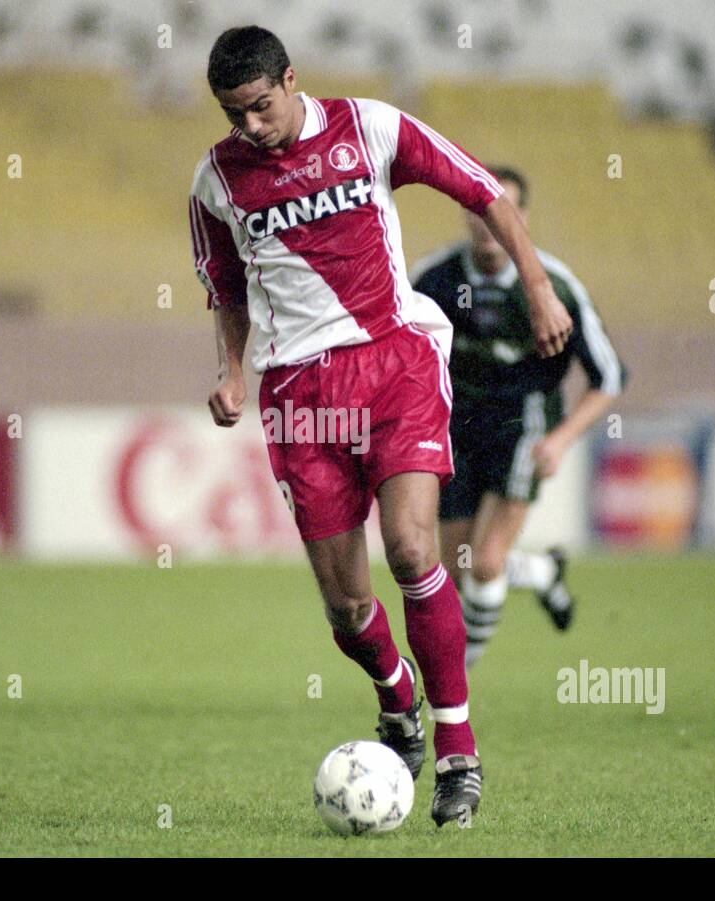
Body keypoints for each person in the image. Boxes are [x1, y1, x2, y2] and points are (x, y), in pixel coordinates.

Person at [190, 27, 574, 825]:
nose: (251, 128)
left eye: (261, 107)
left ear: (292, 80)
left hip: (393, 361)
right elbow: (225, 286)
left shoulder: (370, 127)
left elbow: (484, 192)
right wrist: (232, 370)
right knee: (346, 610)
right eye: (235, 115)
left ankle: (458, 754)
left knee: (411, 549)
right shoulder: (215, 183)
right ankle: (397, 695)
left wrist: (539, 287)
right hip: (297, 393)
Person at [413, 166, 626, 668]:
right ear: (466, 213)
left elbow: (609, 376)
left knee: (485, 562)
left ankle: (459, 678)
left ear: (521, 218)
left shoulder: (555, 286)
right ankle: (541, 573)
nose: (489, 222)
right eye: (479, 209)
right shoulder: (433, 279)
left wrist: (561, 440)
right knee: (456, 564)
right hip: (456, 429)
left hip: (524, 426)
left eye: (501, 211)